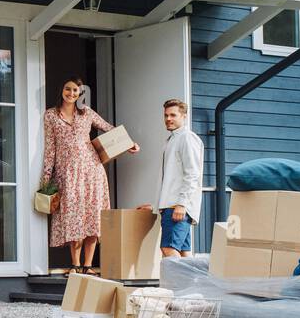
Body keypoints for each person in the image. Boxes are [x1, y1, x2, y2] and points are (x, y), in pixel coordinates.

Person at [41, 77, 138, 275]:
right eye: (68, 89)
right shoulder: (51, 115)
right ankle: (75, 265)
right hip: (67, 172)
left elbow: (109, 129)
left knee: (93, 216)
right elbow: (50, 148)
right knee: (73, 215)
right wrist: (46, 178)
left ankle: (88, 265)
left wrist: (129, 143)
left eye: (76, 90)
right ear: (62, 90)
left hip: (92, 170)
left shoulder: (87, 113)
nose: (71, 93)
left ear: (80, 93)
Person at [137, 98, 204, 257]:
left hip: (177, 206)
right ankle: (191, 283)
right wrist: (155, 205)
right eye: (166, 115)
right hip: (172, 205)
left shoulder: (187, 138)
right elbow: (169, 180)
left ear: (184, 116)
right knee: (183, 251)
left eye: (173, 115)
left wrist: (182, 204)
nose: (168, 119)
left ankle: (178, 283)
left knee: (168, 248)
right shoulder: (172, 140)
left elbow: (192, 173)